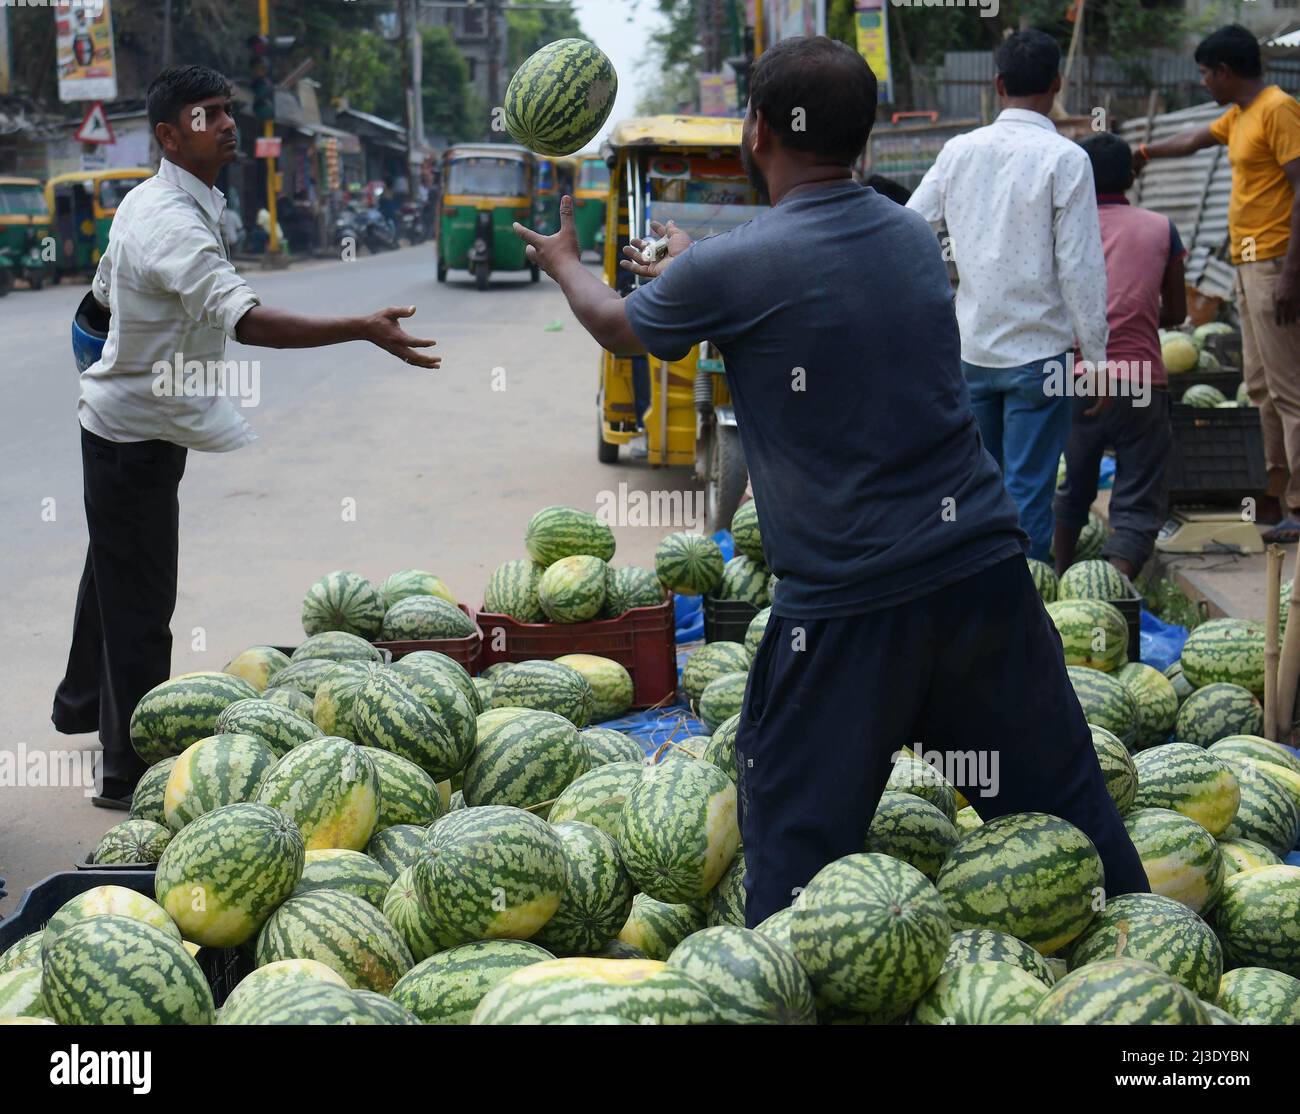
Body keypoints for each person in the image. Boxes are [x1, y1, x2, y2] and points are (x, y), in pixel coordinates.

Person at [513, 36, 1148, 926]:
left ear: (758, 127)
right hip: (983, 576)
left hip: (850, 609)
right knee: (1065, 808)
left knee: (795, 857)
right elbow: (799, 276)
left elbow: (622, 328)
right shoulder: (908, 238)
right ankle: (1146, 958)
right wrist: (699, 264)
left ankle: (786, 982)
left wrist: (564, 261)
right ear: (865, 136)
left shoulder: (734, 267)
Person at [52, 65, 440, 808]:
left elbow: (99, 297)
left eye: (227, 111)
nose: (227, 124)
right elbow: (248, 319)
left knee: (114, 566)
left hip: (130, 416)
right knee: (141, 602)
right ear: (169, 135)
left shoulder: (163, 199)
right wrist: (359, 327)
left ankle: (79, 704)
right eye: (207, 115)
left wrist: (102, 357)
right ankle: (125, 770)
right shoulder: (168, 220)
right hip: (135, 430)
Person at [907, 30, 1110, 563]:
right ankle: (1023, 616)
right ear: (1057, 84)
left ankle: (977, 605)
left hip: (971, 351)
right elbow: (1081, 268)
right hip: (1043, 358)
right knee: (1029, 496)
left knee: (978, 491)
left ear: (997, 85)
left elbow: (909, 227)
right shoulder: (1067, 159)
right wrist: (1098, 357)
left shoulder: (958, 152)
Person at [1134, 25, 1300, 542]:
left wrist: (1294, 273)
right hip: (1247, 267)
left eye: (1206, 74)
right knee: (1259, 386)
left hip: (1276, 264)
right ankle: (1274, 495)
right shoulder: (1240, 115)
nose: (1204, 83)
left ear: (1226, 71)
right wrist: (1141, 153)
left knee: (1290, 390)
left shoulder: (1279, 109)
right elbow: (1190, 141)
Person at [1054, 133, 1187, 578]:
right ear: (1132, 176)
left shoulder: (1061, 227)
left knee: (1072, 488)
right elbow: (1179, 311)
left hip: (1075, 376)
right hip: (1142, 380)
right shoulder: (1160, 228)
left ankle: (1054, 576)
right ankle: (1117, 586)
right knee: (1138, 495)